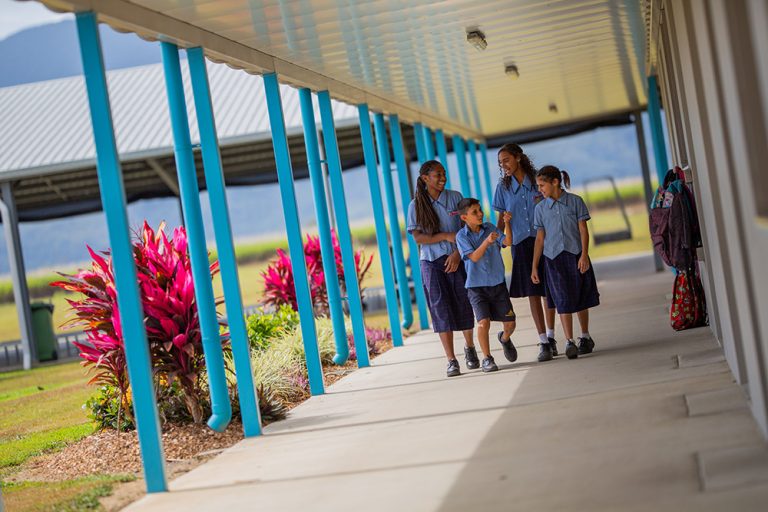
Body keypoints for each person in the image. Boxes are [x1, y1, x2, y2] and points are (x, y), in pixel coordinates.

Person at [407, 160, 477, 377]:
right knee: (440, 308)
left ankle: (470, 348)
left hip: (456, 258)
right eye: (438, 175)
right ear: (425, 178)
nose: (443, 178)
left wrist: (457, 253)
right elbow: (417, 237)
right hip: (431, 262)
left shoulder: (455, 198)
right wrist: (445, 236)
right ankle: (451, 360)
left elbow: (468, 227)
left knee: (463, 302)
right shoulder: (415, 205)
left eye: (444, 173)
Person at [492, 143, 559, 362]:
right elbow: (501, 220)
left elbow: (553, 204)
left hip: (545, 241)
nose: (504, 166)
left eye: (507, 160)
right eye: (501, 163)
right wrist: (498, 242)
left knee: (549, 290)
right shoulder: (502, 189)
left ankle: (551, 337)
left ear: (518, 158)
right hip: (520, 244)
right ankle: (542, 341)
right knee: (533, 293)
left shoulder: (538, 181)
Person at [531, 165, 599, 359]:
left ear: (555, 182)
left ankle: (585, 336)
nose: (540, 189)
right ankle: (569, 341)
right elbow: (539, 239)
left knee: (580, 296)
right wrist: (535, 266)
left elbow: (583, 231)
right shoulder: (540, 209)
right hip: (553, 260)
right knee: (562, 300)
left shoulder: (575, 201)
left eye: (542, 185)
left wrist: (584, 255)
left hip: (576, 255)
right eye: (538, 186)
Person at [455, 197, 517, 373]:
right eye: (475, 212)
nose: (480, 213)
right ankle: (487, 358)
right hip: (476, 287)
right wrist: (487, 242)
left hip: (498, 285)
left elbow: (507, 242)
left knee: (510, 325)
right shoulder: (461, 237)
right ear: (464, 218)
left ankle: (504, 339)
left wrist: (507, 224)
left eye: (480, 209)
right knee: (483, 322)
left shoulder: (490, 227)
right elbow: (473, 257)